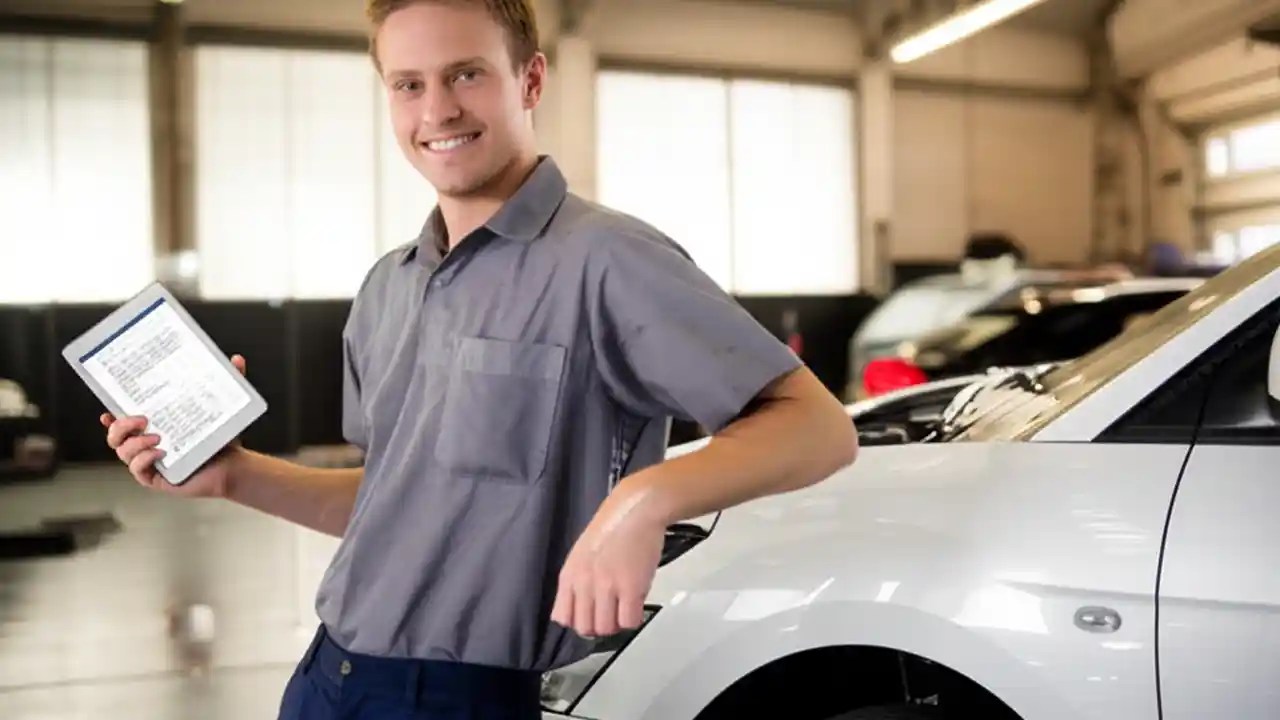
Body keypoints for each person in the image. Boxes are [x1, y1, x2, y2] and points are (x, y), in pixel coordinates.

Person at [101, 1, 859, 717]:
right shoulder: (387, 287)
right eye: (408, 85)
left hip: (468, 697)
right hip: (328, 681)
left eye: (466, 74)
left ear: (529, 79)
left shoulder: (608, 262)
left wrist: (645, 499)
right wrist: (234, 473)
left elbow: (818, 427)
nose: (437, 111)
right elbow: (391, 501)